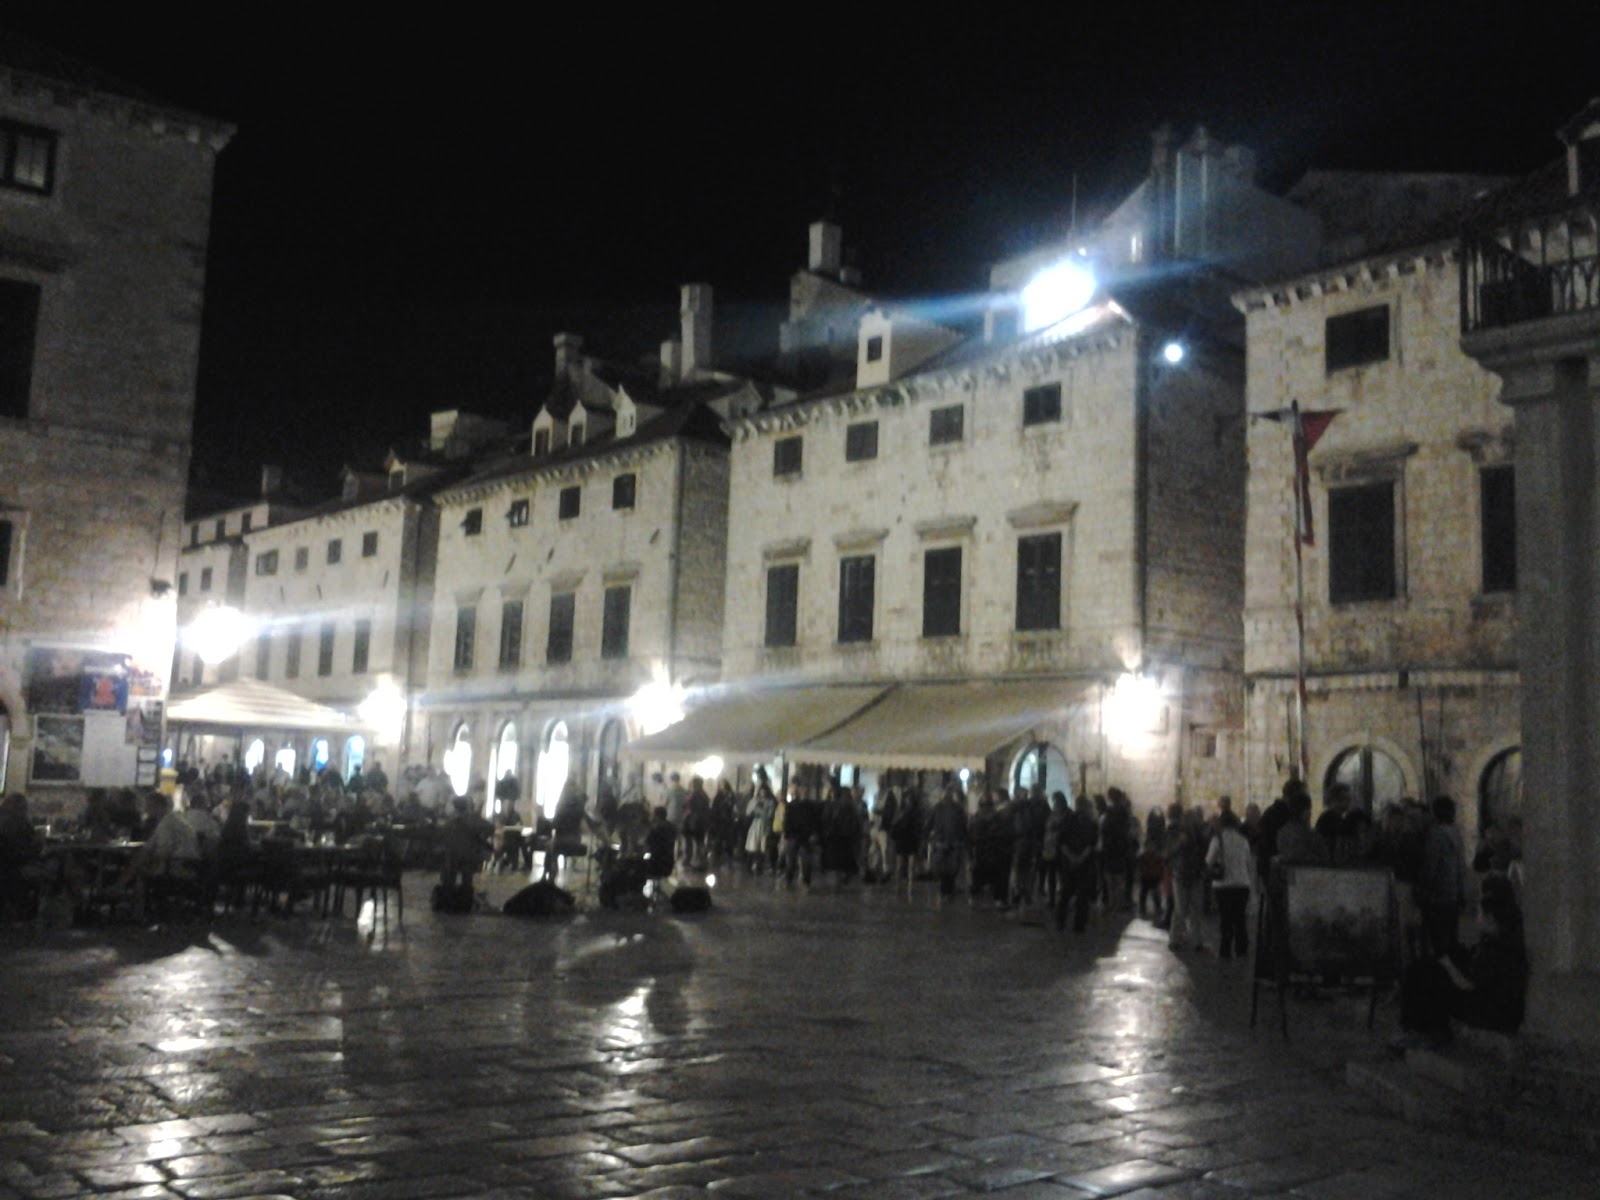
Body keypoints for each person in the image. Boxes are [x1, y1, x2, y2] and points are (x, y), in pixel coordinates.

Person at [1400, 874, 1528, 1047]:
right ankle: (1420, 1030)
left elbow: (1469, 983)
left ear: (1490, 918)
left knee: (1429, 976)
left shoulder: (1498, 948)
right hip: (1497, 1008)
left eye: (1479, 912)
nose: (1476, 917)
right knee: (1426, 969)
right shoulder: (1506, 939)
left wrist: (1447, 964)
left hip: (1490, 1013)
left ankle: (1425, 1032)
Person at [1417, 795, 1469, 957]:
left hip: (1437, 894)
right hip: (1453, 892)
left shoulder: (1436, 835)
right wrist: (1462, 891)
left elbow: (1432, 865)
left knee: (1437, 941)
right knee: (1451, 936)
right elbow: (1461, 865)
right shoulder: (1456, 833)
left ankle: (1440, 975)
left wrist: (1425, 889)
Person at [1205, 809, 1254, 959]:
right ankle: (1242, 949)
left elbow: (1208, 862)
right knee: (1240, 919)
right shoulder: (1243, 840)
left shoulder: (1217, 840)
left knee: (1225, 919)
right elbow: (1248, 863)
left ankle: (1225, 950)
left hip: (1223, 885)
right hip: (1242, 884)